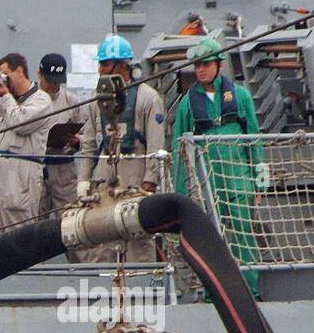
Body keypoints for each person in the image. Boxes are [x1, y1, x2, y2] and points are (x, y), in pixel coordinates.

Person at [171, 36, 263, 294]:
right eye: (197, 65)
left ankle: (250, 289)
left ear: (218, 65)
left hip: (239, 178)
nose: (200, 69)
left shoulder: (241, 97)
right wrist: (179, 193)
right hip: (207, 183)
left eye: (206, 64)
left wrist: (261, 183)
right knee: (211, 239)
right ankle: (216, 293)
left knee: (244, 232)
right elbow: (179, 147)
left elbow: (255, 140)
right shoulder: (188, 104)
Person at [77, 35, 167, 263]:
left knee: (137, 238)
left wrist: (150, 180)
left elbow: (156, 144)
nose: (100, 69)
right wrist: (83, 182)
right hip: (104, 179)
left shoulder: (148, 98)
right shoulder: (96, 101)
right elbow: (89, 143)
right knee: (100, 237)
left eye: (105, 64)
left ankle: (141, 285)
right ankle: (100, 286)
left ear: (121, 65)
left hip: (135, 175)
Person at [0, 52, 53, 234]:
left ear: (18, 71)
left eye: (4, 74)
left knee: (17, 236)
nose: (2, 79)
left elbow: (20, 124)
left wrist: (6, 96)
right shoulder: (3, 100)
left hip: (20, 174)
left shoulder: (41, 99)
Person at [37, 53, 82, 219]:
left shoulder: (72, 101)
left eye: (58, 81)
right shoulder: (28, 100)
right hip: (36, 166)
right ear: (39, 74)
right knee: (34, 222)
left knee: (69, 219)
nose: (54, 85)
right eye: (50, 81)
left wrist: (77, 141)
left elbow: (87, 136)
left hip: (64, 168)